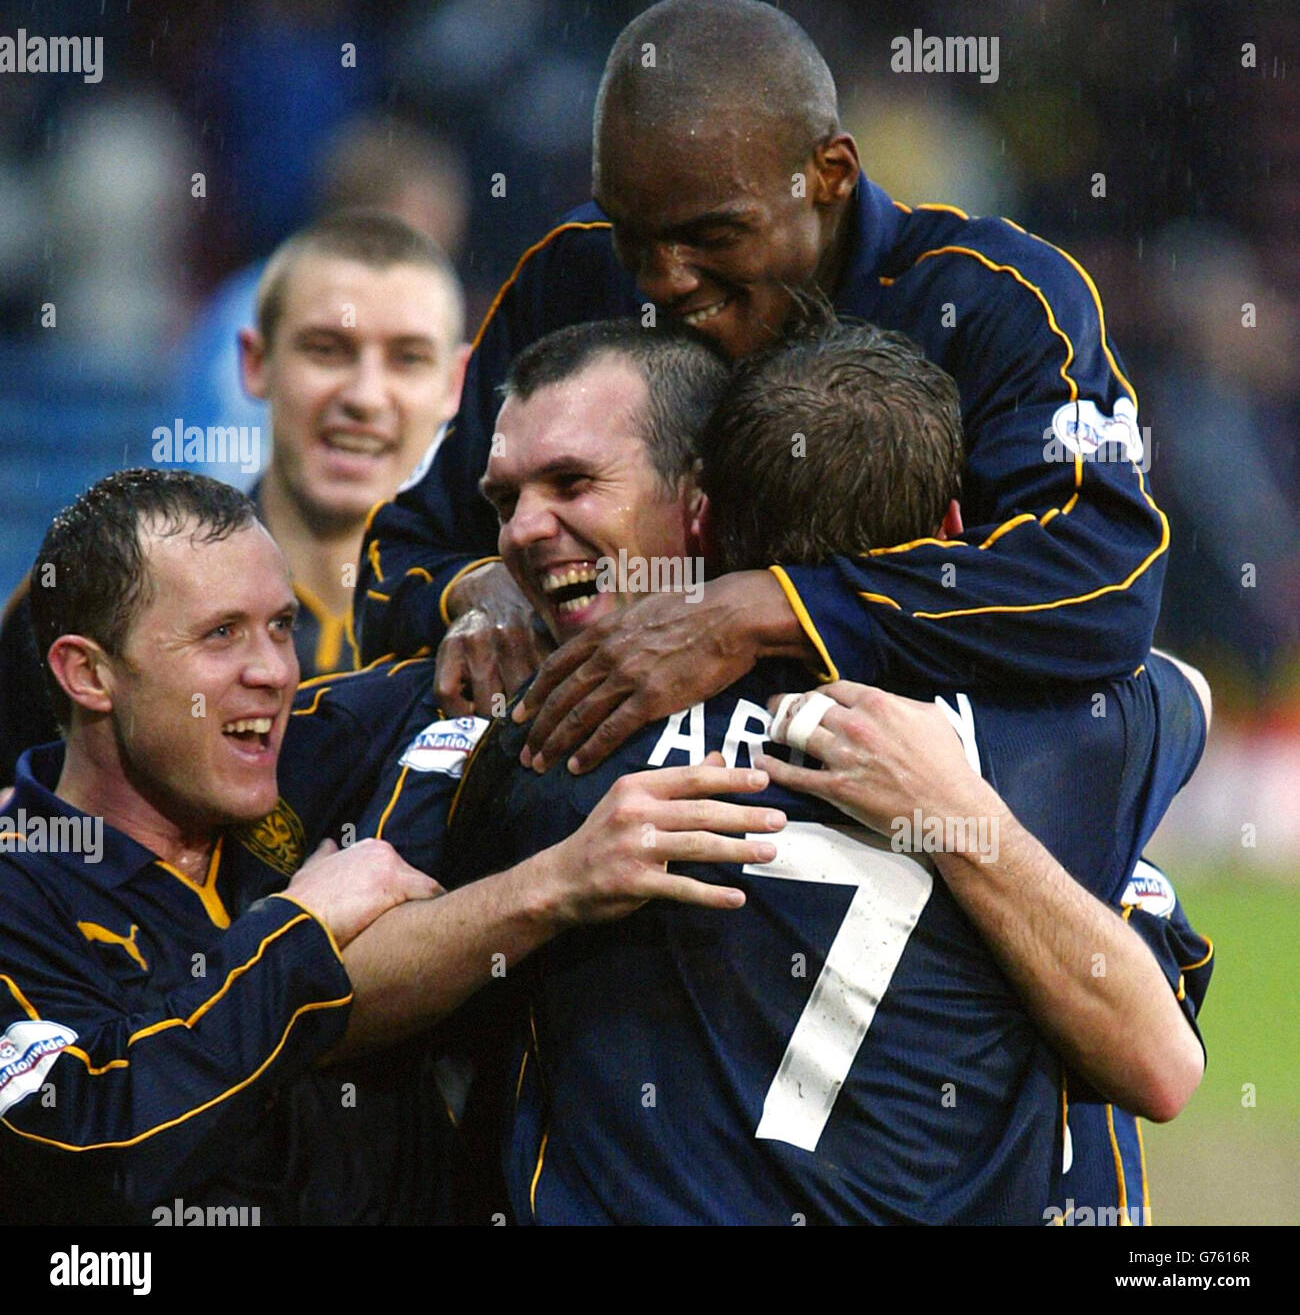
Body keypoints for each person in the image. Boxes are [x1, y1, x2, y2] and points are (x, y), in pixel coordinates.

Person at [441, 317, 1209, 1223]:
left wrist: (467, 596)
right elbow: (1177, 680)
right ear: (952, 529)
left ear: (707, 523)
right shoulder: (1083, 736)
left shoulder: (564, 735)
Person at [355, 0, 1170, 793]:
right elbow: (394, 564)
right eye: (634, 236)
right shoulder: (570, 280)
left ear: (830, 174)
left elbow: (1102, 583)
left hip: (917, 817)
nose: (664, 280)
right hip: (603, 808)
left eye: (714, 235)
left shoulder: (996, 302)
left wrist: (758, 611)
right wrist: (479, 590)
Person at [0, 468, 784, 1223]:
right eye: (220, 636)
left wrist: (486, 605)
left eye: (280, 626)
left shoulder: (317, 745)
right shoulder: (20, 889)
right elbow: (88, 1155)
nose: (273, 673)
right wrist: (298, 930)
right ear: (89, 675)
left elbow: (496, 662)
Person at [0, 208, 468, 785]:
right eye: (327, 350)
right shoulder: (99, 592)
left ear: (455, 384)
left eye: (407, 359)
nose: (366, 396)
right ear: (256, 363)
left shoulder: (493, 617)